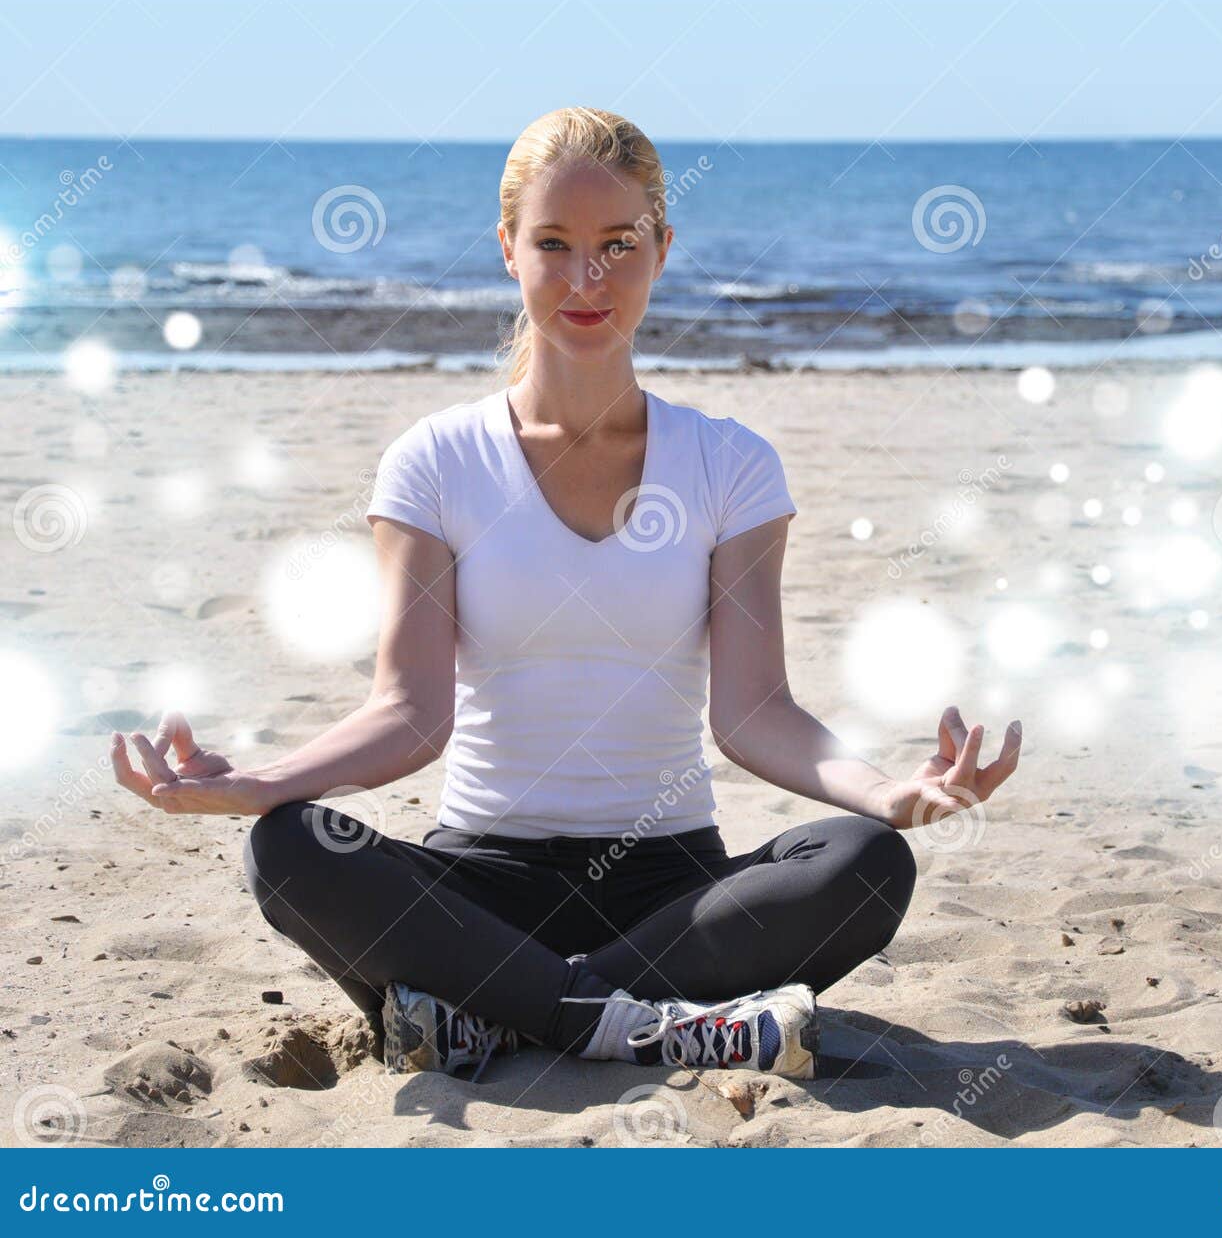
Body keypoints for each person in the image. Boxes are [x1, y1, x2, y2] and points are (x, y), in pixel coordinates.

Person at [109, 107, 1023, 1083]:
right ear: (508, 248)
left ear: (661, 248)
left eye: (618, 244)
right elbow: (410, 713)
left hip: (672, 896)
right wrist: (264, 784)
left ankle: (506, 1016)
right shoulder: (435, 461)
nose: (588, 279)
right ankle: (646, 1024)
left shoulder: (731, 464)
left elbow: (754, 712)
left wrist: (886, 793)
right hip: (480, 889)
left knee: (867, 861)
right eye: (553, 244)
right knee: (287, 846)